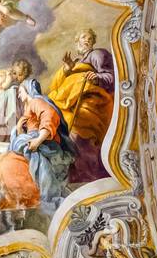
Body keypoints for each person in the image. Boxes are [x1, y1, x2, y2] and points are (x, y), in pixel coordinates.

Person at [47, 28, 115, 183]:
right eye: (84, 37)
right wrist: (67, 69)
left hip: (91, 102)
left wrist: (97, 77)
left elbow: (112, 77)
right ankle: (72, 174)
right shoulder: (77, 62)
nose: (87, 40)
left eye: (91, 38)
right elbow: (56, 88)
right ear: (77, 40)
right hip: (69, 102)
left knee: (77, 133)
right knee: (62, 132)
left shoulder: (97, 54)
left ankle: (88, 175)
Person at [0, 78, 75, 211]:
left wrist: (38, 140)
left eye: (20, 92)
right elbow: (29, 129)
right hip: (30, 141)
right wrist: (21, 131)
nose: (19, 95)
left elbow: (49, 116)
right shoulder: (28, 109)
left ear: (27, 90)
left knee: (12, 162)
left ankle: (33, 195)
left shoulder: (35, 102)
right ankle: (22, 196)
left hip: (44, 144)